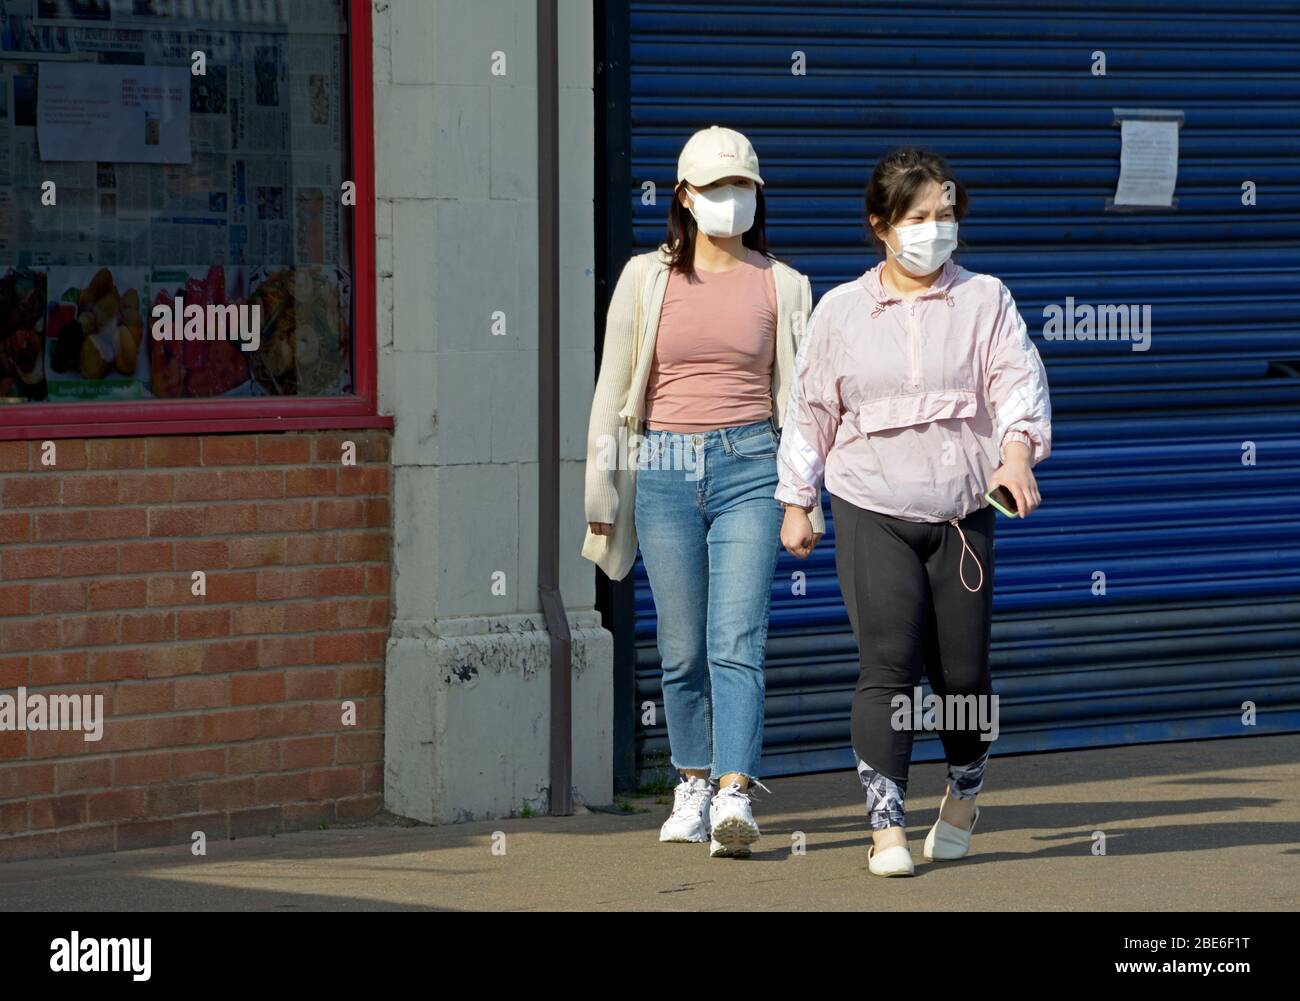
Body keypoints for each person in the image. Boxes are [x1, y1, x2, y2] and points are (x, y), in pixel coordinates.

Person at [775, 146, 1052, 876]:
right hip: (872, 506)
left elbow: (1016, 381)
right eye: (920, 217)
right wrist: (796, 498)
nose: (937, 229)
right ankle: (886, 822)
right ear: (881, 224)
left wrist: (1017, 452)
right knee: (887, 666)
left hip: (962, 513)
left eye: (946, 214)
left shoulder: (985, 298)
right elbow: (810, 411)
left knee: (962, 679)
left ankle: (964, 788)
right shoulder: (841, 310)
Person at [582, 126, 823, 858]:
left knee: (737, 638)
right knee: (682, 646)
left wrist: (801, 497)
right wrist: (601, 490)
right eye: (715, 188)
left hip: (751, 461)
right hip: (662, 466)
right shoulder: (644, 277)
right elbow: (612, 391)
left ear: (758, 195)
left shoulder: (783, 284)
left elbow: (804, 403)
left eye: (742, 187)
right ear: (684, 197)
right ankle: (690, 778)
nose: (730, 200)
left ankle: (734, 792)